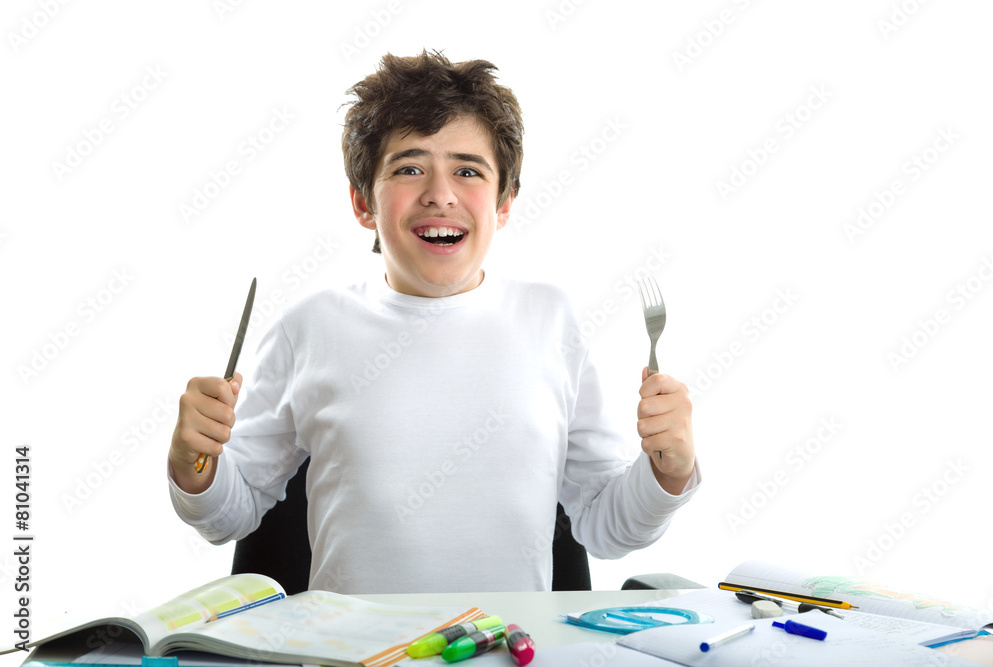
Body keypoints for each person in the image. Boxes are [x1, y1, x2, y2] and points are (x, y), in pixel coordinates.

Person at [167, 50, 700, 594]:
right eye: (408, 168)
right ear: (363, 202)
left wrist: (668, 470)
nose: (440, 194)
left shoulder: (550, 320)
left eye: (468, 170)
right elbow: (230, 515)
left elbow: (606, 526)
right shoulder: (309, 327)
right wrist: (196, 463)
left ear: (505, 202)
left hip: (508, 648)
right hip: (351, 653)